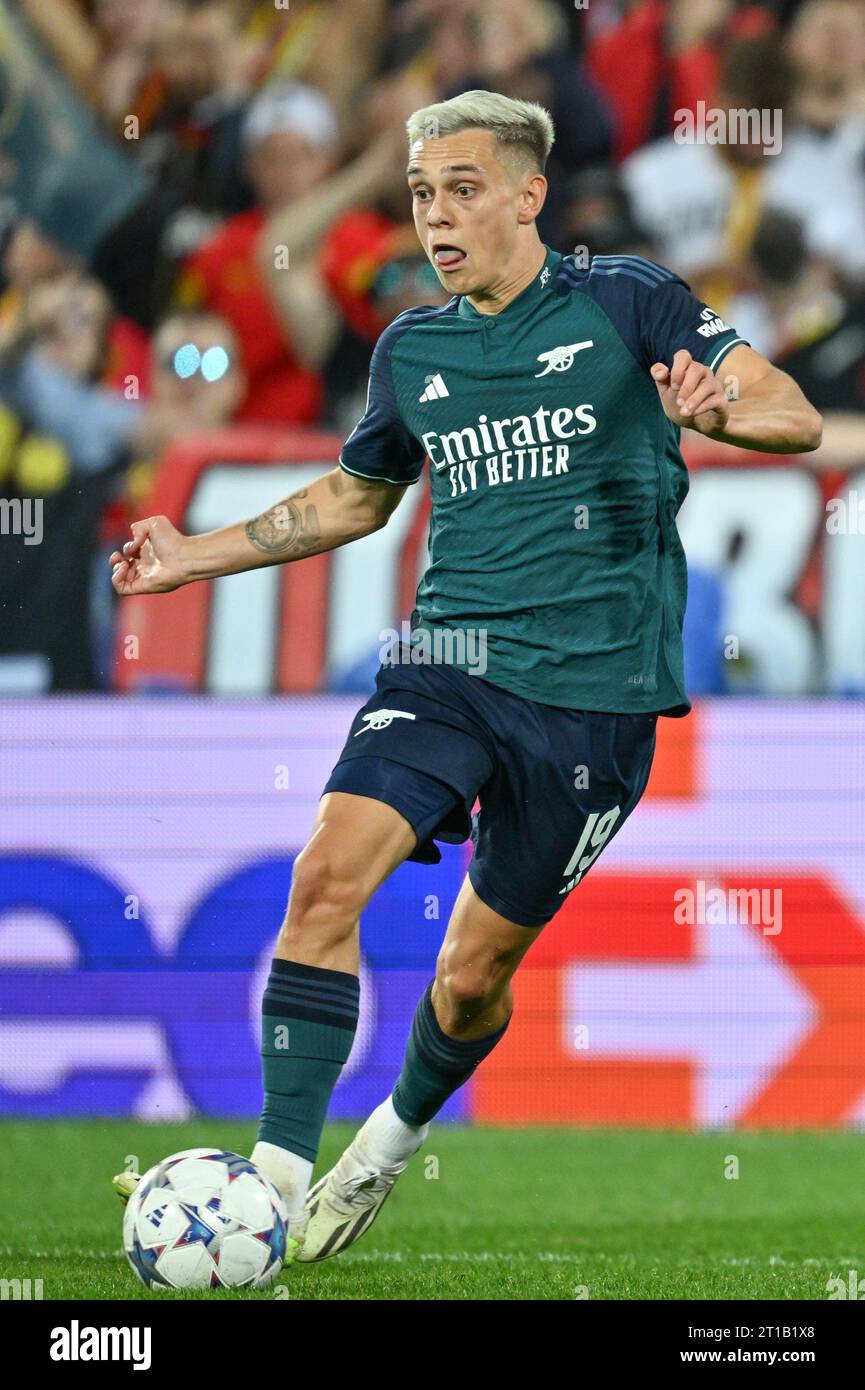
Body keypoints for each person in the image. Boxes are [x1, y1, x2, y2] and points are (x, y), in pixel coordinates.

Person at [109, 90, 822, 1263]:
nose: (437, 217)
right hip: (446, 660)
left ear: (528, 194)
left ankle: (385, 1143)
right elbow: (354, 495)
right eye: (423, 194)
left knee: (472, 972)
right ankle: (275, 1192)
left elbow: (787, 411)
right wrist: (196, 555)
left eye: (463, 189)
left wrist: (725, 417)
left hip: (593, 696)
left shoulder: (625, 301)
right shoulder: (413, 347)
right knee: (326, 877)